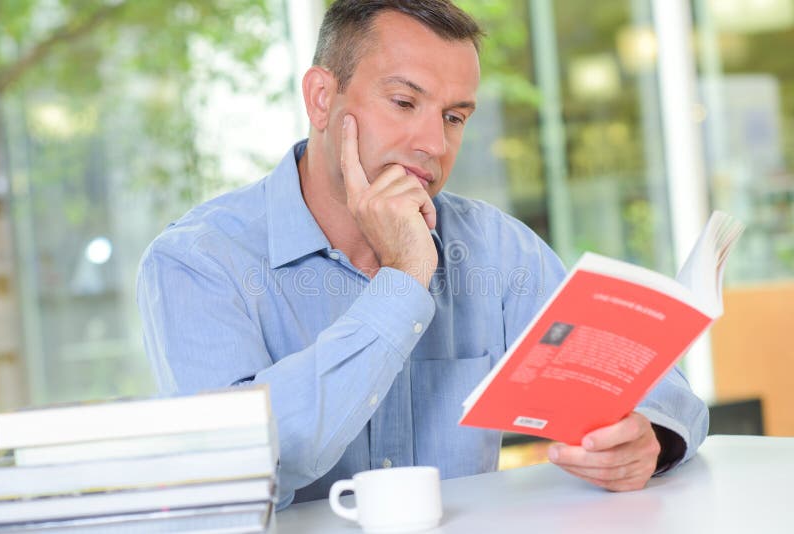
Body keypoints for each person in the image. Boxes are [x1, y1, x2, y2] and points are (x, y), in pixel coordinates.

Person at [137, 0, 708, 510]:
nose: (434, 144)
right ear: (321, 98)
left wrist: (650, 441)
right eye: (404, 101)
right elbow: (248, 464)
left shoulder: (498, 250)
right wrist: (404, 281)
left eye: (454, 117)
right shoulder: (197, 263)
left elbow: (664, 393)